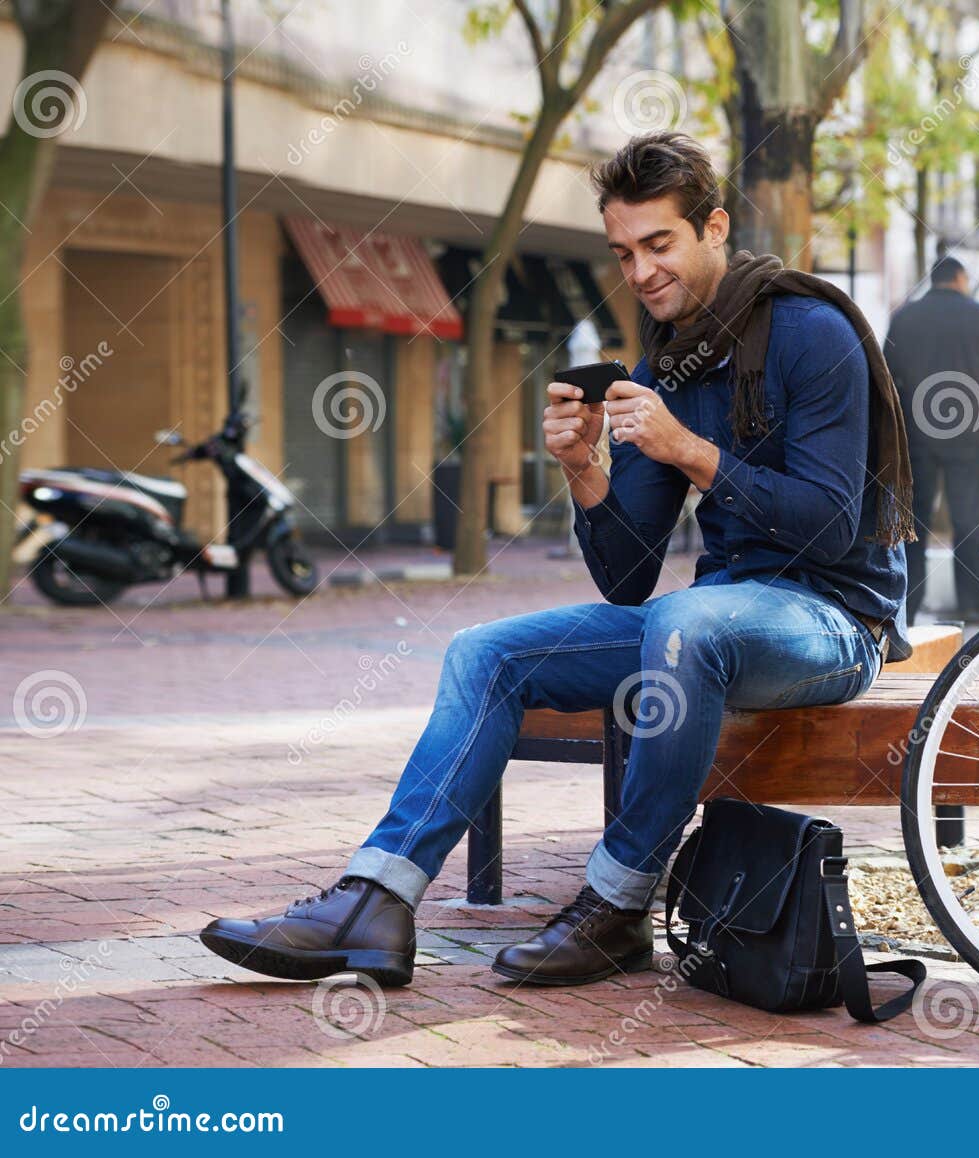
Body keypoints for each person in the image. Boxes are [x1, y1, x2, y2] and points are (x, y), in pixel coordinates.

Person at [200, 131, 918, 989]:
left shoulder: (811, 332)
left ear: (714, 227)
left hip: (835, 622)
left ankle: (614, 909)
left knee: (689, 626)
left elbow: (834, 526)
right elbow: (627, 578)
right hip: (715, 620)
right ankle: (375, 903)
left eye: (660, 244)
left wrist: (689, 450)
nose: (642, 271)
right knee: (487, 652)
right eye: (623, 253)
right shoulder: (667, 366)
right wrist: (583, 469)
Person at [883, 255, 979, 624]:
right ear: (960, 278)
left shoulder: (904, 317)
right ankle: (971, 604)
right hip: (964, 430)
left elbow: (888, 371)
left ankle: (909, 603)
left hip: (916, 432)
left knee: (914, 521)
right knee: (967, 517)